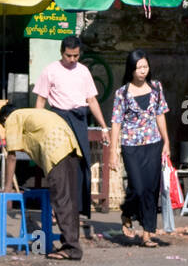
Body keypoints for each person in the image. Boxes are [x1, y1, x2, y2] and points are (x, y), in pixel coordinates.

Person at [34, 36, 109, 228]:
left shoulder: (83, 71)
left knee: (80, 164)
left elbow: (92, 100)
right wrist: (38, 126)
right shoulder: (50, 70)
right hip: (58, 119)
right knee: (59, 165)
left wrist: (103, 126)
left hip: (79, 119)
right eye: (69, 56)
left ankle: (75, 210)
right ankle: (55, 209)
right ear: (62, 53)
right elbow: (41, 101)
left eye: (76, 55)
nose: (73, 59)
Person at [0, 102, 83, 261]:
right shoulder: (30, 114)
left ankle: (71, 247)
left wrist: (7, 187)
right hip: (69, 144)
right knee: (69, 200)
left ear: (5, 118)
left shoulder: (13, 118)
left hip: (56, 148)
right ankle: (72, 245)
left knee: (61, 200)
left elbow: (11, 156)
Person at [109, 50, 170, 247]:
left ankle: (147, 233)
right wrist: (113, 150)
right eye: (139, 68)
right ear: (131, 69)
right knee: (137, 186)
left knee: (151, 189)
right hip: (130, 145)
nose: (143, 71)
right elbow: (116, 122)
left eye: (145, 67)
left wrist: (166, 141)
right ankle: (127, 212)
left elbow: (160, 114)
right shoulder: (122, 93)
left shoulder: (156, 88)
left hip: (153, 143)